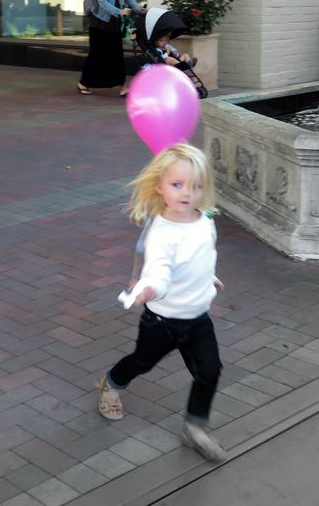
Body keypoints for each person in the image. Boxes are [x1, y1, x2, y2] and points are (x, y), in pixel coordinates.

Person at [96, 143, 227, 462]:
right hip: (163, 321)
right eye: (177, 184)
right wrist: (151, 288)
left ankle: (194, 427)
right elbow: (160, 270)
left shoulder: (205, 219)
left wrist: (208, 277)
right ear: (160, 186)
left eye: (196, 186)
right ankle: (112, 382)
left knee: (210, 370)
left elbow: (202, 254)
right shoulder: (162, 232)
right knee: (142, 362)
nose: (187, 193)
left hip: (198, 318)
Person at [77, 0, 143, 97]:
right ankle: (83, 83)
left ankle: (123, 86)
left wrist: (140, 9)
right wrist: (119, 11)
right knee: (96, 56)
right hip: (99, 23)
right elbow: (102, 2)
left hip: (114, 23)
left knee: (117, 55)